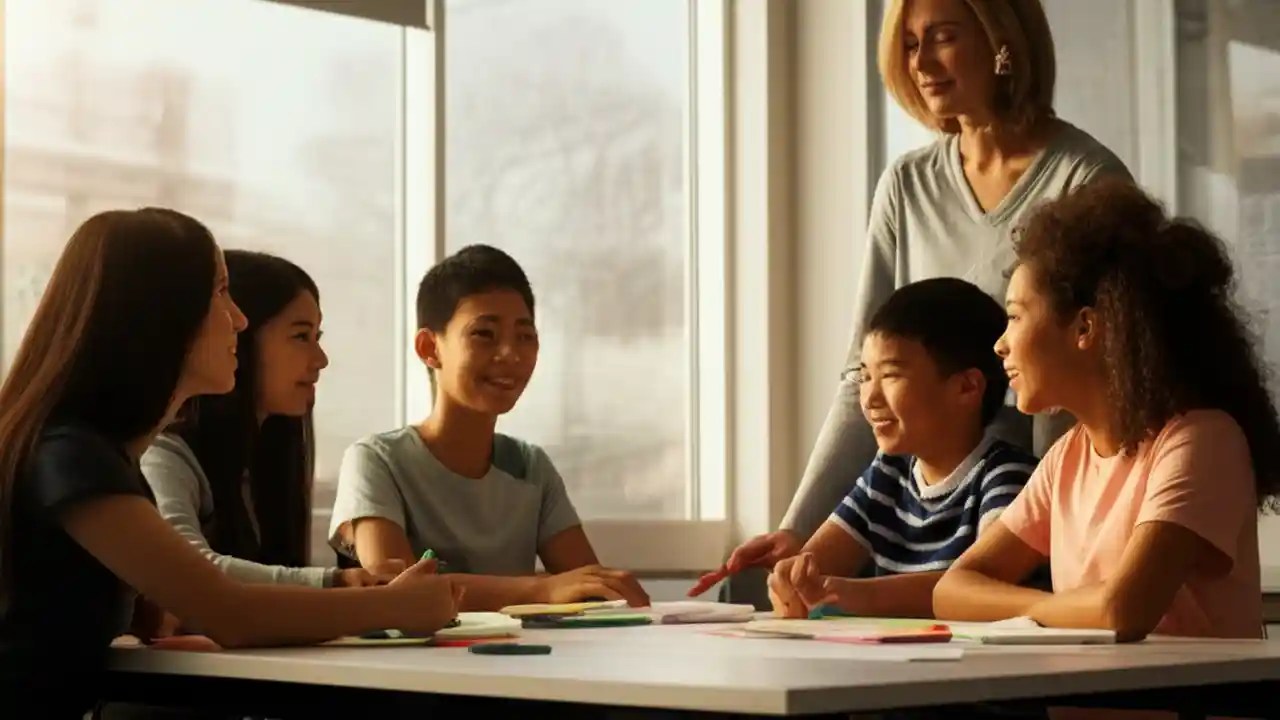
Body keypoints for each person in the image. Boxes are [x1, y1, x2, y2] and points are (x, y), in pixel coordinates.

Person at [712, 0, 1132, 596]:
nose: (922, 63)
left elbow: (1106, 381)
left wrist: (1052, 534)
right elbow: (864, 372)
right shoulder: (906, 186)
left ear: (1002, 40)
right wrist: (798, 528)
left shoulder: (1086, 181)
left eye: (942, 37)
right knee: (758, 590)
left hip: (1035, 511)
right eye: (910, 45)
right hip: (928, 506)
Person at [0, 209, 459, 719]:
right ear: (160, 313)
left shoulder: (98, 455)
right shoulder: (71, 455)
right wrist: (394, 608)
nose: (239, 320)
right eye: (220, 293)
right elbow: (229, 613)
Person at [934, 177, 1277, 649]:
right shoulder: (1066, 457)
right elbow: (951, 590)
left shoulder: (1201, 440)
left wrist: (1028, 611)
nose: (1000, 344)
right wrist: (1049, 609)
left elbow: (1122, 610)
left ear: (1085, 327)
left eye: (1015, 316)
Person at [328, 244, 649, 611]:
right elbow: (398, 591)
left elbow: (588, 586)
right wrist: (542, 589)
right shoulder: (376, 460)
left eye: (525, 336)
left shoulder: (531, 467)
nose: (510, 354)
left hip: (519, 662)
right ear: (429, 347)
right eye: (484, 334)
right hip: (419, 666)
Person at [767, 278, 1040, 620]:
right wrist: (791, 582)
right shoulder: (887, 474)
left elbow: (977, 589)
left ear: (967, 388)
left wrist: (851, 593)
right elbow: (811, 567)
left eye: (892, 376)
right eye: (864, 377)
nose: (869, 398)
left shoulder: (1006, 478)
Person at [141, 250, 389, 590]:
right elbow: (188, 567)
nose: (321, 360)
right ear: (238, 336)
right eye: (301, 336)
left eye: (318, 337)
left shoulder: (266, 458)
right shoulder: (163, 453)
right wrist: (340, 584)